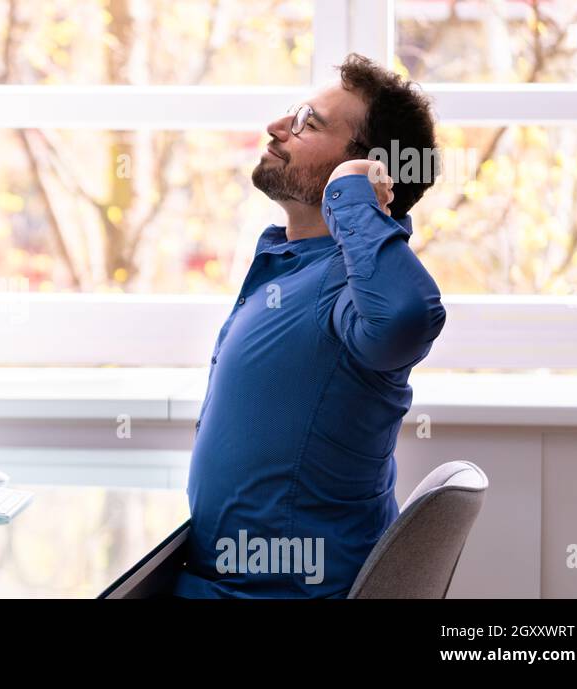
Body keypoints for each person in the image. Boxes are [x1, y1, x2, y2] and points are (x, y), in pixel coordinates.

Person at [174, 54, 447, 598]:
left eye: (309, 124)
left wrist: (349, 194)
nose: (278, 127)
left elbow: (407, 318)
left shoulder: (347, 286)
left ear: (371, 168)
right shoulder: (298, 267)